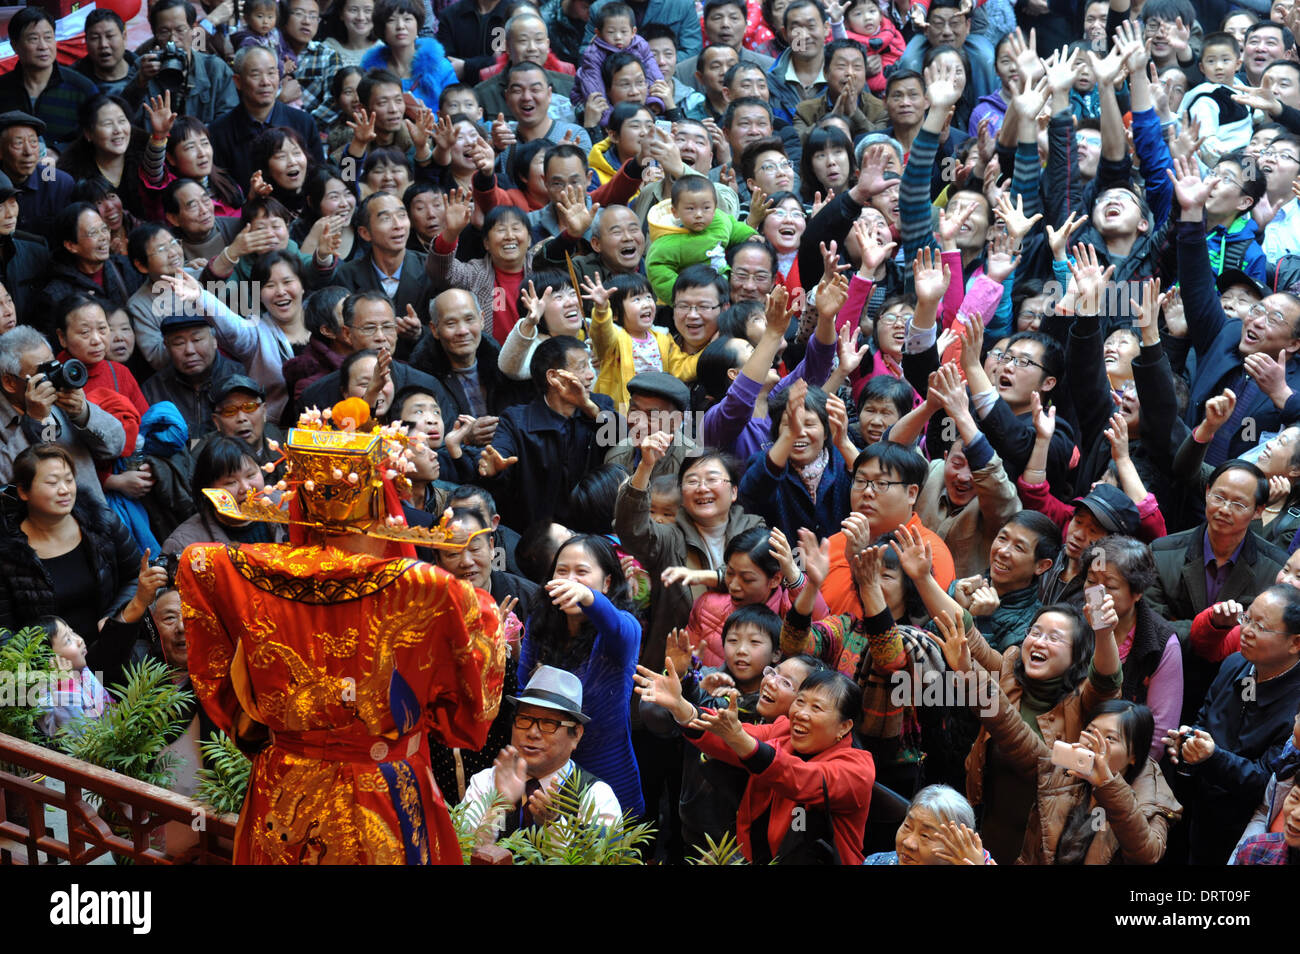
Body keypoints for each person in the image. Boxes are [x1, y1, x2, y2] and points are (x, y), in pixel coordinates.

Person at [180, 397, 507, 864]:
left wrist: (248, 718)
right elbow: (474, 696)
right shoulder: (426, 587)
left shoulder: (239, 571)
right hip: (384, 780)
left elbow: (196, 566)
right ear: (379, 497)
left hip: (287, 777)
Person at [635, 662, 875, 864]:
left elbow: (798, 778)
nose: (801, 713)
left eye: (817, 708)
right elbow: (728, 737)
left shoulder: (857, 769)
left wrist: (739, 739)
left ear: (844, 727)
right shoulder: (783, 730)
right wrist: (681, 707)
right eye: (800, 701)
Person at [1163, 584, 1300, 864]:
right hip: (1200, 812)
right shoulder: (1235, 664)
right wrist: (1187, 744)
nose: (1246, 631)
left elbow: (1270, 783)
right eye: (1247, 619)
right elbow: (1205, 719)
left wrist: (1211, 757)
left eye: (1261, 627)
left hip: (1247, 830)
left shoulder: (1297, 707)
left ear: (1295, 643)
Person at [517, 533, 643, 818]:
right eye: (562, 571)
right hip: (545, 773)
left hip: (609, 775)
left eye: (582, 572)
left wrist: (589, 598)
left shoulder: (625, 629)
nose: (570, 580)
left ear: (607, 582)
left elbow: (617, 627)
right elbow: (524, 691)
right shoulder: (540, 622)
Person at [0, 443, 140, 646]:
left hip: (111, 648)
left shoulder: (102, 522)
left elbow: (136, 576)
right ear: (23, 491)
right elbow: (4, 632)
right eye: (52, 483)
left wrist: (114, 616)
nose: (65, 490)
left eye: (69, 480)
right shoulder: (8, 552)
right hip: (48, 668)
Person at [458, 664, 623, 836]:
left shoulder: (596, 798)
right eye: (524, 719)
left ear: (576, 735)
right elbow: (463, 852)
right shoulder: (486, 782)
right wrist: (498, 807)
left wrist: (554, 826)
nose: (532, 733)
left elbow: (599, 858)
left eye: (548, 723)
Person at [476, 335, 620, 531]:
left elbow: (620, 442)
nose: (590, 375)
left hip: (594, 534)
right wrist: (495, 470)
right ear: (554, 377)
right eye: (581, 367)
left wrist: (588, 407)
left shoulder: (600, 407)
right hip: (537, 535)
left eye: (590, 366)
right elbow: (500, 457)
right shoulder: (517, 421)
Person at [0, 325, 126, 507]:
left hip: (97, 519)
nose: (53, 377)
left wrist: (83, 414)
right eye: (42, 372)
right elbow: (4, 480)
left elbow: (116, 446)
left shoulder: (62, 398)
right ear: (10, 382)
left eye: (54, 366)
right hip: (44, 530)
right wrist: (34, 422)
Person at [210, 46, 325, 193]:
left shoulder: (303, 122)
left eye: (271, 73)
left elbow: (319, 177)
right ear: (238, 81)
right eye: (255, 75)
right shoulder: (219, 132)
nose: (265, 82)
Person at [0, 7, 99, 154]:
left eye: (48, 37)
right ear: (15, 45)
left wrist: (58, 151)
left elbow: (97, 134)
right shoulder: (3, 88)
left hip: (65, 170)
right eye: (33, 39)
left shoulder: (82, 88)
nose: (43, 46)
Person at [645, 176, 757, 304]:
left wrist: (748, 235)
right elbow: (657, 270)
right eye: (690, 209)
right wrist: (683, 296)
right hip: (694, 300)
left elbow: (732, 227)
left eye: (706, 208)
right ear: (675, 212)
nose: (699, 214)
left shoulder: (720, 220)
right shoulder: (668, 242)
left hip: (725, 289)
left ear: (715, 209)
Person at [136, 0, 240, 129]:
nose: (172, 40)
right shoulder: (143, 66)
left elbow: (229, 122)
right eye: (164, 31)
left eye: (180, 30)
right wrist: (139, 82)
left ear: (193, 29)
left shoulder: (216, 69)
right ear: (155, 33)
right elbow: (128, 119)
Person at [362, 0, 457, 110]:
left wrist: (430, 119)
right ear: (382, 29)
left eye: (407, 19)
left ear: (418, 24)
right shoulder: (370, 71)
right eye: (391, 20)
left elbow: (457, 109)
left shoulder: (440, 66)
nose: (400, 26)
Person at [865, 784, 992, 864]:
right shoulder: (876, 862)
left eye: (925, 836)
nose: (908, 843)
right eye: (907, 826)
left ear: (957, 845)